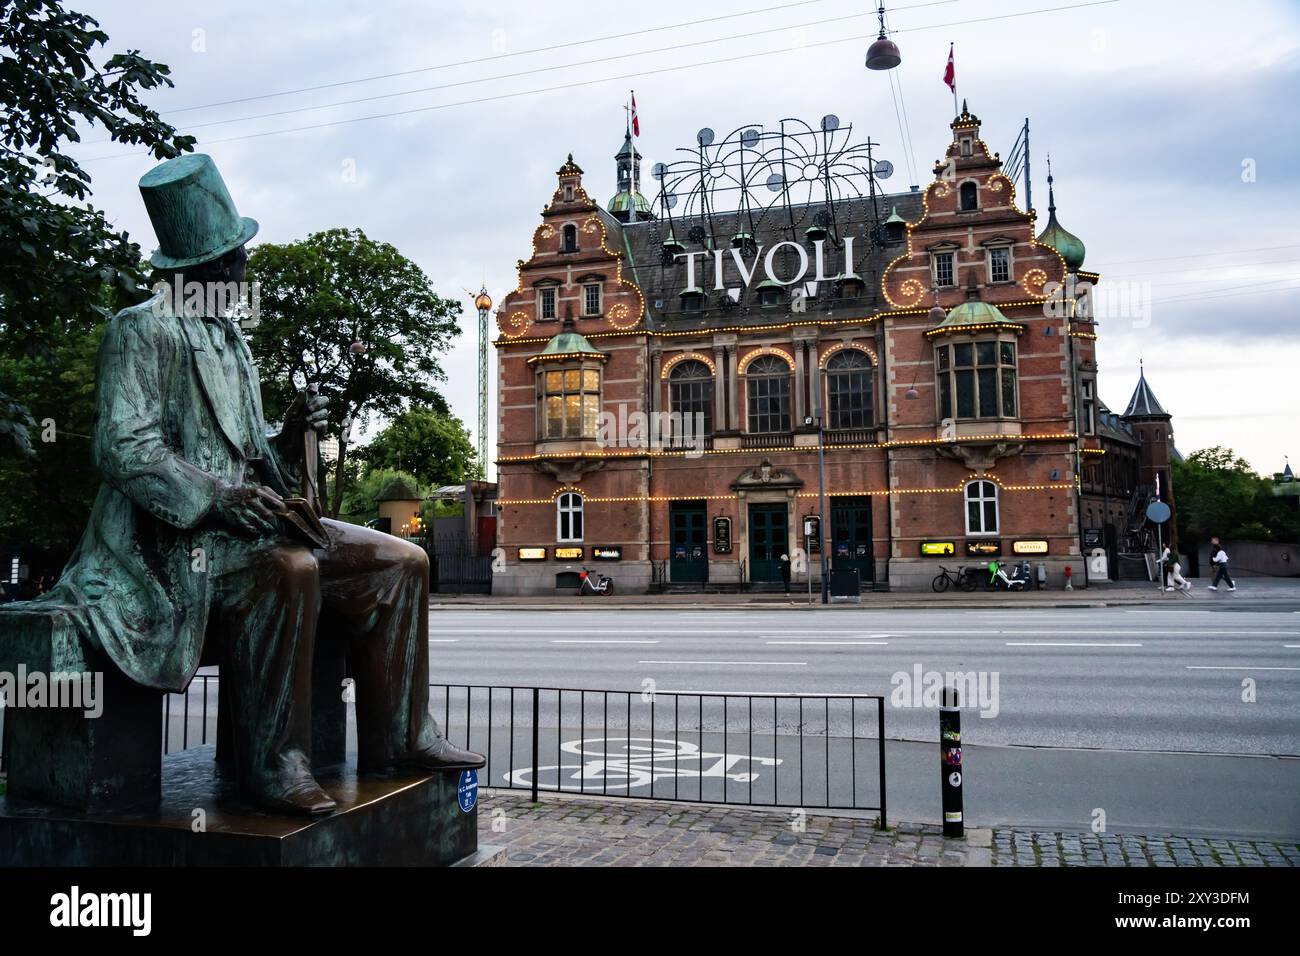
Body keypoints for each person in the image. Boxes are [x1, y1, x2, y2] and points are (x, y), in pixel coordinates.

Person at [3, 154, 483, 815]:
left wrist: (290, 433)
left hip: (246, 529)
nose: (243, 267)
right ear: (203, 263)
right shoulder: (140, 329)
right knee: (287, 572)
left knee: (404, 562)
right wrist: (217, 497)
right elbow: (124, 450)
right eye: (234, 256)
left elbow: (253, 456)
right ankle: (273, 767)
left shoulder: (231, 342)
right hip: (171, 547)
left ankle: (402, 738)